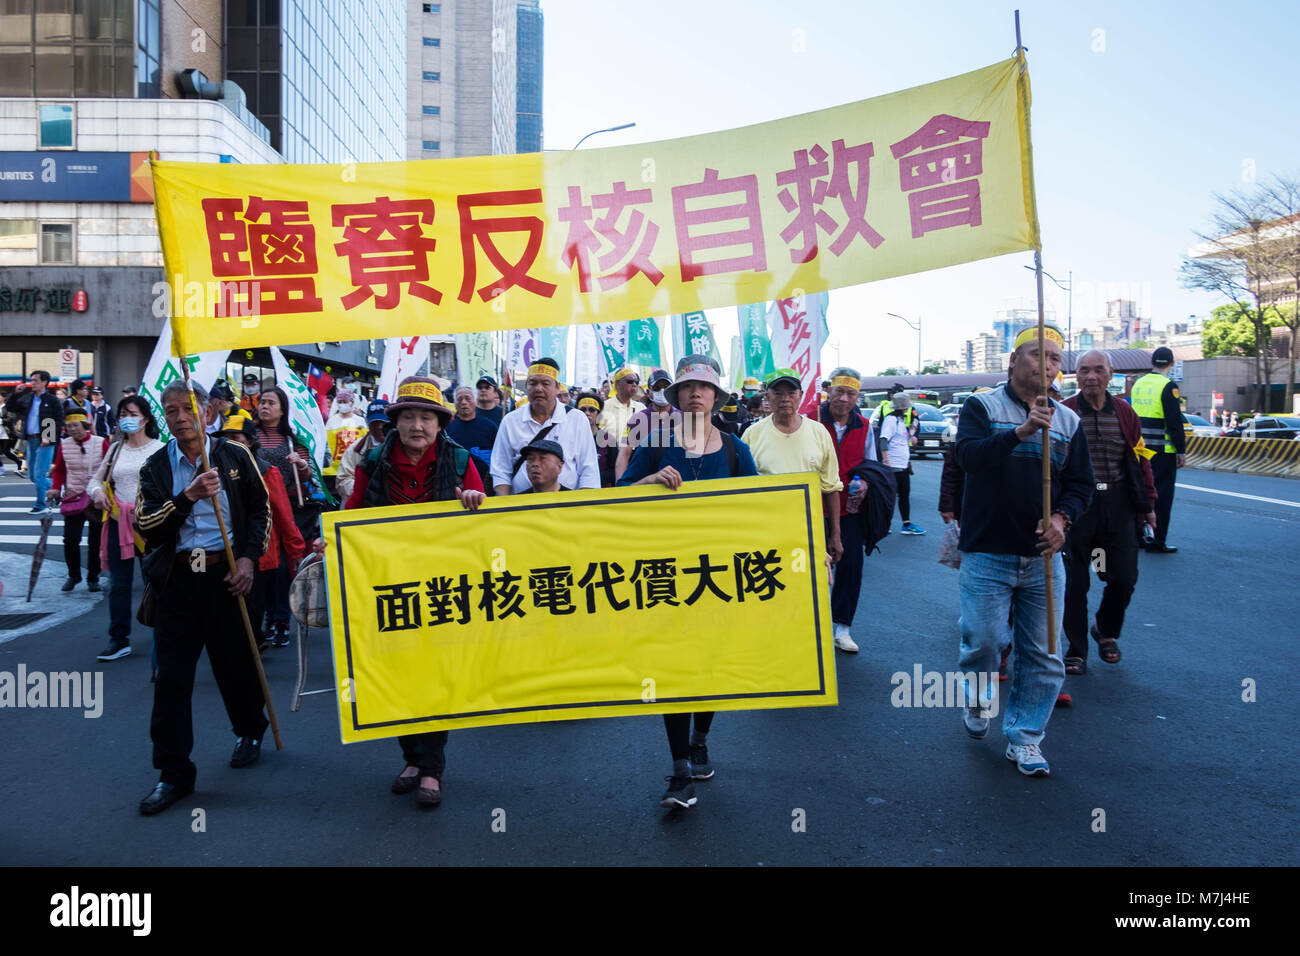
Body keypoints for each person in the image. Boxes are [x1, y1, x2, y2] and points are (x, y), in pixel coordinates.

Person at [617, 355, 759, 810]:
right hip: (665, 576)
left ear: (716, 397)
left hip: (719, 577)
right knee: (674, 667)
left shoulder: (737, 449)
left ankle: (700, 738)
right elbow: (618, 493)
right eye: (687, 386)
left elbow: (762, 510)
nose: (696, 392)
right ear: (675, 396)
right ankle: (680, 769)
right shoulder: (656, 443)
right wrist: (651, 480)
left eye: (704, 386)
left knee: (710, 667)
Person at [954, 325, 1093, 776]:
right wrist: (1021, 431)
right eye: (1036, 355)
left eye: (1055, 358)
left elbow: (1081, 485)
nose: (1046, 365)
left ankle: (1026, 737)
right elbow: (969, 458)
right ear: (1013, 362)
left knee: (1045, 653)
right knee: (984, 642)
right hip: (987, 552)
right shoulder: (982, 406)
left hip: (1043, 559)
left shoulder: (1069, 422)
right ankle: (978, 701)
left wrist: (1061, 520)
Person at [342, 376, 486, 808]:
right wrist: (327, 540)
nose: (417, 425)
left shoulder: (460, 462)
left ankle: (432, 768)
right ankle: (410, 757)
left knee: (434, 674)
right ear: (395, 422)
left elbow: (485, 519)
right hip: (387, 584)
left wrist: (476, 501)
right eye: (408, 417)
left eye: (426, 417)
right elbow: (351, 516)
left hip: (443, 585)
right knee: (398, 672)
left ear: (440, 423)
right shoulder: (372, 463)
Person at [135, 380, 272, 816]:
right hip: (178, 582)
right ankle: (173, 772)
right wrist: (187, 497)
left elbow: (260, 509)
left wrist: (249, 559)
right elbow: (145, 524)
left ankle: (250, 729)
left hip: (226, 576)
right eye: (170, 410)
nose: (179, 417)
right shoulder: (155, 467)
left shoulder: (234, 455)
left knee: (236, 665)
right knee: (172, 679)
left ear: (207, 410)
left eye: (186, 408)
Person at [1061, 351, 1157, 674]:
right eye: (1084, 371)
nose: (1091, 377)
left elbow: (1140, 459)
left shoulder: (1126, 413)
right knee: (1075, 580)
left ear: (1110, 374)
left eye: (1098, 370)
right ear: (1075, 376)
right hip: (1078, 507)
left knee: (1123, 576)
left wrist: (1148, 505)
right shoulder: (1066, 412)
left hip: (1117, 506)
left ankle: (1104, 628)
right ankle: (1076, 649)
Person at [87, 395, 165, 661]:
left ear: (145, 417)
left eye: (131, 413)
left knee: (153, 583)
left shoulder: (160, 448)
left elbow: (169, 489)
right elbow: (95, 481)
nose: (126, 419)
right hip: (118, 523)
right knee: (118, 585)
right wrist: (98, 493)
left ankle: (162, 638)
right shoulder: (115, 449)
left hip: (149, 526)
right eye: (122, 414)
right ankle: (118, 639)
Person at [219, 416, 306, 653]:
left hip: (260, 554)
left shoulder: (268, 472)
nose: (230, 444)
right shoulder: (214, 472)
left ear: (250, 441)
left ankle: (255, 643)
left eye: (236, 438)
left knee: (252, 609)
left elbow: (283, 516)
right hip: (222, 553)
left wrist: (295, 551)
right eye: (225, 439)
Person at [743, 367, 844, 565]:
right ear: (767, 396)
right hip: (765, 532)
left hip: (809, 530)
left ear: (801, 395)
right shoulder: (751, 435)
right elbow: (741, 490)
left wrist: (835, 535)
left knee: (810, 590)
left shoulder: (819, 432)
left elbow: (831, 488)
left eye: (791, 392)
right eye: (778, 393)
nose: (785, 398)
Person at [819, 367, 878, 653]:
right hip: (812, 507)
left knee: (850, 568)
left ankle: (842, 628)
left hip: (850, 509)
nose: (843, 398)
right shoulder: (809, 420)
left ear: (857, 397)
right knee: (807, 568)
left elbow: (872, 465)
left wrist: (865, 482)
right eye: (838, 391)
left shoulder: (865, 426)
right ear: (828, 391)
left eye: (850, 393)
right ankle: (809, 627)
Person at [255, 385, 314, 647]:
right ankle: (265, 617)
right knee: (261, 567)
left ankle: (281, 621)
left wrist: (300, 464)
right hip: (256, 509)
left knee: (281, 568)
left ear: (282, 409)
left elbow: (307, 475)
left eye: (270, 403)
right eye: (262, 402)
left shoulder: (293, 440)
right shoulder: (250, 436)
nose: (264, 407)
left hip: (286, 509)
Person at [489, 358, 599, 496]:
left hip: (566, 506)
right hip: (522, 507)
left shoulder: (577, 419)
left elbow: (589, 469)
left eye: (545, 383)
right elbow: (500, 469)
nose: (538, 388)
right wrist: (506, 506)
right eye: (533, 383)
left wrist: (581, 508)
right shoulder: (510, 421)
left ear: (557, 388)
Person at [1127, 346, 1185, 553]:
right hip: (1162, 450)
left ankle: (1138, 537)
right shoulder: (1169, 386)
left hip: (1141, 449)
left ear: (1152, 362)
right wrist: (1181, 450)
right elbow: (1174, 422)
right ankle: (1157, 540)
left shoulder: (1138, 384)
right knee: (1161, 494)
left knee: (1140, 489)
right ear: (1171, 364)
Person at [47, 408, 109, 592]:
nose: (72, 429)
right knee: (70, 539)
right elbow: (59, 470)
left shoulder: (101, 443)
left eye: (75, 425)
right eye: (68, 427)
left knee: (95, 541)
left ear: (85, 425)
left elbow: (109, 469)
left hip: (95, 498)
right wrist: (56, 488)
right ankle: (73, 575)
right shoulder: (64, 445)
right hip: (73, 497)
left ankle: (93, 577)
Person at [4, 370, 64, 512]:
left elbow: (59, 420)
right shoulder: (27, 398)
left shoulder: (52, 400)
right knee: (32, 476)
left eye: (35, 380)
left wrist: (48, 436)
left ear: (44, 382)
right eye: (31, 380)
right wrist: (16, 393)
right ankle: (57, 488)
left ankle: (40, 505)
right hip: (30, 440)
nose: (32, 383)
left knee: (39, 475)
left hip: (44, 442)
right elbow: (10, 407)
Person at [617, 368, 678, 481]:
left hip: (678, 481)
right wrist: (620, 487)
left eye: (666, 387)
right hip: (647, 482)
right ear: (648, 393)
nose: (662, 391)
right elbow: (624, 453)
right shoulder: (636, 420)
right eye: (657, 388)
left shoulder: (683, 417)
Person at [879, 392, 924, 535]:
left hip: (902, 464)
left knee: (904, 494)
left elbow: (903, 440)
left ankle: (906, 523)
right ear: (904, 407)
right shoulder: (891, 420)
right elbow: (883, 440)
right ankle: (884, 525)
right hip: (893, 464)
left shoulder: (900, 420)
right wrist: (886, 461)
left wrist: (913, 432)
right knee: (891, 496)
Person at [335, 399, 388, 502]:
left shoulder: (404, 446)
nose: (379, 427)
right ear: (368, 423)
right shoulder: (355, 449)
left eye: (383, 422)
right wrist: (367, 490)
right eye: (375, 423)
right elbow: (343, 480)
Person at [446, 385, 499, 488]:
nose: (464, 402)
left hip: (486, 483)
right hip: (456, 485)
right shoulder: (448, 429)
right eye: (459, 399)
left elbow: (499, 455)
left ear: (475, 402)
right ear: (455, 404)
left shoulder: (489, 426)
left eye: (468, 398)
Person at [322, 389, 366, 481]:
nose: (342, 404)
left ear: (352, 402)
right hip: (334, 471)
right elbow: (325, 444)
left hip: (354, 469)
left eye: (345, 402)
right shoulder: (332, 421)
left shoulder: (360, 421)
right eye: (339, 402)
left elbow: (365, 443)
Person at [597, 367, 645, 449]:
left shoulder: (641, 408)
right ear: (618, 385)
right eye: (630, 381)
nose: (634, 384)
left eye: (636, 382)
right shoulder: (603, 407)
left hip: (635, 458)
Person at [577, 393, 618, 487]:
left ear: (598, 414)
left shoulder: (608, 440)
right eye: (583, 410)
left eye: (592, 410)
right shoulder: (571, 438)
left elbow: (615, 471)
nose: (587, 413)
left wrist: (590, 478)